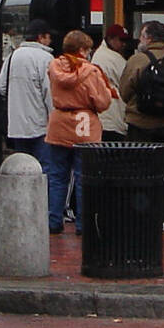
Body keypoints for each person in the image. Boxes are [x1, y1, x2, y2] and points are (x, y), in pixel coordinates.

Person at [119, 21, 164, 231]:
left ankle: (141, 215)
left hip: (139, 123)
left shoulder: (137, 59)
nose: (140, 40)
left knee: (139, 171)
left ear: (148, 38)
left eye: (141, 36)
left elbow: (124, 91)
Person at [45, 29, 114, 234]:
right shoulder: (90, 71)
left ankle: (54, 221)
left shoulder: (54, 67)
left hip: (59, 124)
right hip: (85, 127)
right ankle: (83, 225)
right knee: (84, 178)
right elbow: (102, 101)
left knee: (57, 177)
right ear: (83, 50)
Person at [0, 19, 54, 166]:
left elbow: (1, 87)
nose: (50, 40)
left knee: (23, 167)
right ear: (41, 37)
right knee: (44, 167)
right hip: (40, 125)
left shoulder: (12, 56)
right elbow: (50, 94)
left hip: (16, 126)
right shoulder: (46, 58)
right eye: (48, 37)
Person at [90, 24, 130, 142]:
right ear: (111, 39)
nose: (124, 44)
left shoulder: (101, 54)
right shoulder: (110, 57)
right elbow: (127, 83)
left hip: (104, 117)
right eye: (121, 40)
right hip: (111, 116)